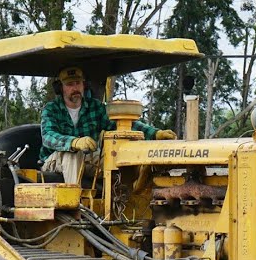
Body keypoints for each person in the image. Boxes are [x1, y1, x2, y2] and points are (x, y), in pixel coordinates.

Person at [41, 66, 176, 184]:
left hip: (87, 158)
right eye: (70, 84)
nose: (75, 88)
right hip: (55, 161)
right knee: (72, 154)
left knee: (119, 158)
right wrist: (74, 142)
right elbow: (48, 137)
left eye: (78, 83)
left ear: (84, 85)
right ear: (60, 88)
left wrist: (154, 133)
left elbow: (121, 123)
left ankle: (123, 205)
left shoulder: (95, 107)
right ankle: (74, 207)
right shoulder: (51, 109)